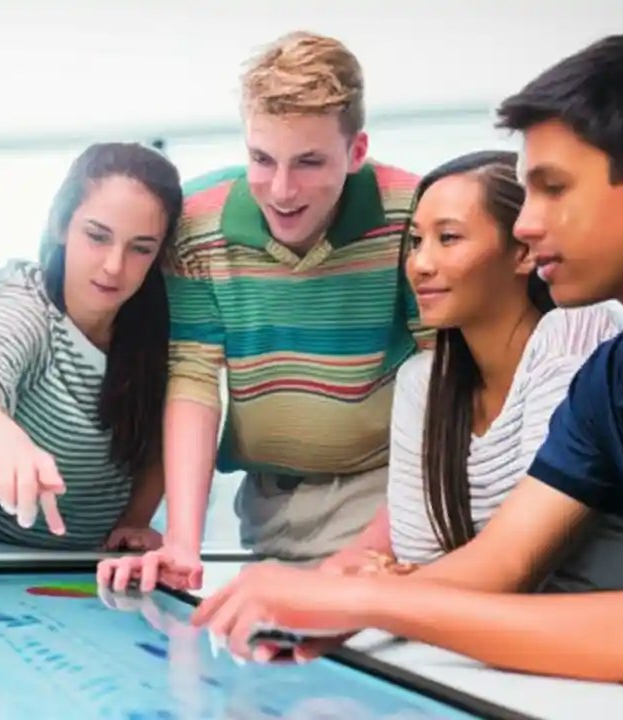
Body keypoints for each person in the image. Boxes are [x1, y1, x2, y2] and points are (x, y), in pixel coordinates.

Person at [189, 34, 623, 720]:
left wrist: (364, 598)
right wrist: (336, 603)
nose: (527, 225)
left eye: (553, 189)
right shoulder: (615, 377)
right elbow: (497, 565)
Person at [98, 31, 426, 590]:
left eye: (309, 162)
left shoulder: (415, 213)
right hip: (269, 508)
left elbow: (442, 378)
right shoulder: (197, 225)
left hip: (386, 499)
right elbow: (195, 381)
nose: (280, 190)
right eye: (261, 158)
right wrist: (182, 541)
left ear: (357, 152)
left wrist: (393, 535)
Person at [319, 150, 623, 592]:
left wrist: (392, 587)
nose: (420, 264)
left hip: (581, 644)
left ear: (524, 251)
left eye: (448, 238)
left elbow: (521, 562)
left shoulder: (574, 333)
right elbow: (418, 552)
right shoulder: (422, 384)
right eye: (415, 241)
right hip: (466, 640)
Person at [0, 142, 180, 550]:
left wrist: (135, 522)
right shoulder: (27, 301)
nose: (114, 266)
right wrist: (3, 441)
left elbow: (165, 439)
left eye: (141, 248)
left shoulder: (163, 323)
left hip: (104, 556)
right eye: (97, 236)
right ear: (61, 225)